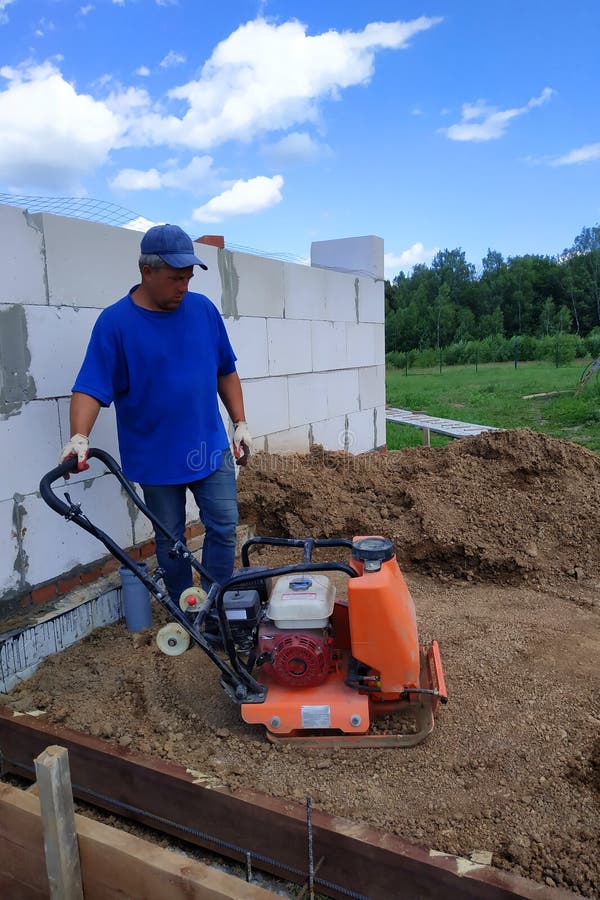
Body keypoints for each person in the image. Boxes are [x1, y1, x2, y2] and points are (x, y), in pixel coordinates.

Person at [59, 223, 252, 603]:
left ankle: (215, 601)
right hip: (155, 459)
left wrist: (240, 422)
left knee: (225, 527)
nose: (184, 286)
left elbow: (225, 371)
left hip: (209, 449)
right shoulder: (116, 324)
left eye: (189, 277)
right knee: (171, 541)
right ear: (146, 271)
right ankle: (186, 607)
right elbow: (90, 387)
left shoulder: (203, 311)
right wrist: (79, 437)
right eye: (175, 277)